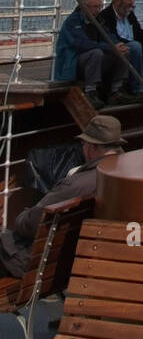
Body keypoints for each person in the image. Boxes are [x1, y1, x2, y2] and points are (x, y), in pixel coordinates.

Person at [0, 115, 123, 278]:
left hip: (40, 264)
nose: (83, 148)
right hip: (75, 260)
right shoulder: (123, 174)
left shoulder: (76, 184)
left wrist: (21, 217)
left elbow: (30, 223)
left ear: (92, 147)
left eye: (83, 144)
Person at [53, 0, 122, 107]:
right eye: (95, 7)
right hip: (73, 60)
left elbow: (108, 35)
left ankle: (117, 89)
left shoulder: (99, 20)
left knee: (123, 52)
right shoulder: (73, 21)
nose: (98, 10)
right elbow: (82, 44)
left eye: (100, 6)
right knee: (96, 53)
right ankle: (90, 91)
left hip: (92, 59)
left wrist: (118, 44)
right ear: (84, 7)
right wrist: (110, 47)